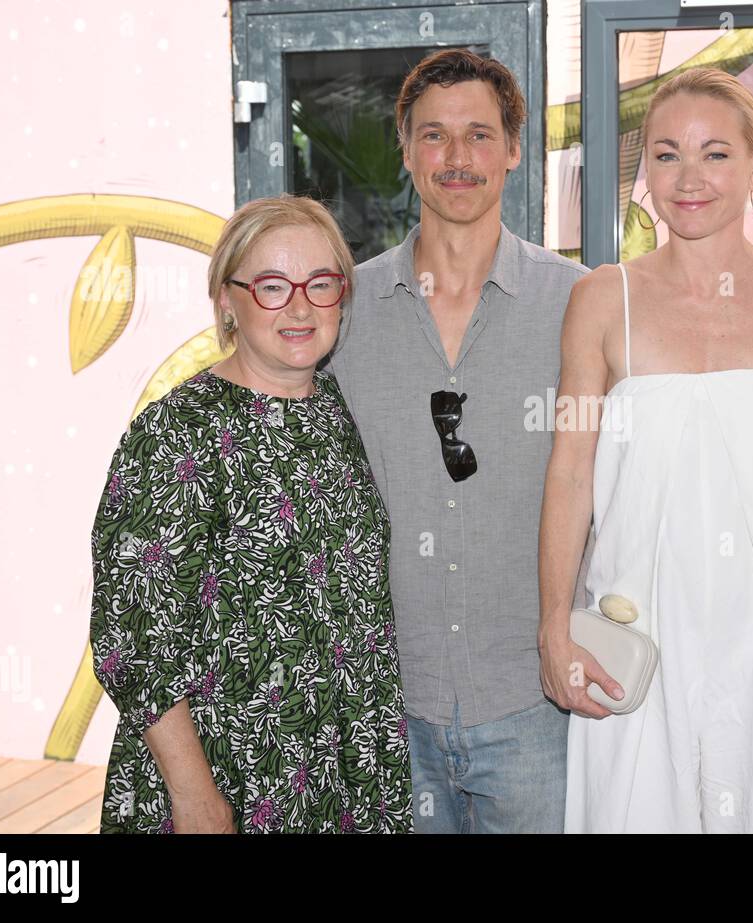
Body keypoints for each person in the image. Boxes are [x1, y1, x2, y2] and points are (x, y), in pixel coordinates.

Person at [539, 67, 753, 833]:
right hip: (634, 621)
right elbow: (571, 470)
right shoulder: (599, 298)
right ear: (645, 169)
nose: (689, 178)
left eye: (715, 153)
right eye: (667, 153)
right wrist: (552, 624)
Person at [325, 49, 587, 833]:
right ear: (406, 150)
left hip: (538, 703)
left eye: (479, 135)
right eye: (434, 137)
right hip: (386, 706)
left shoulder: (580, 301)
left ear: (514, 149)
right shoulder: (343, 309)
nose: (457, 158)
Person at [90, 195, 412, 833]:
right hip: (228, 777)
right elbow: (133, 640)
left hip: (345, 770)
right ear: (226, 299)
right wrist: (195, 796)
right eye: (271, 286)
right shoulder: (178, 432)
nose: (299, 306)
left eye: (320, 284)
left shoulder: (336, 410)